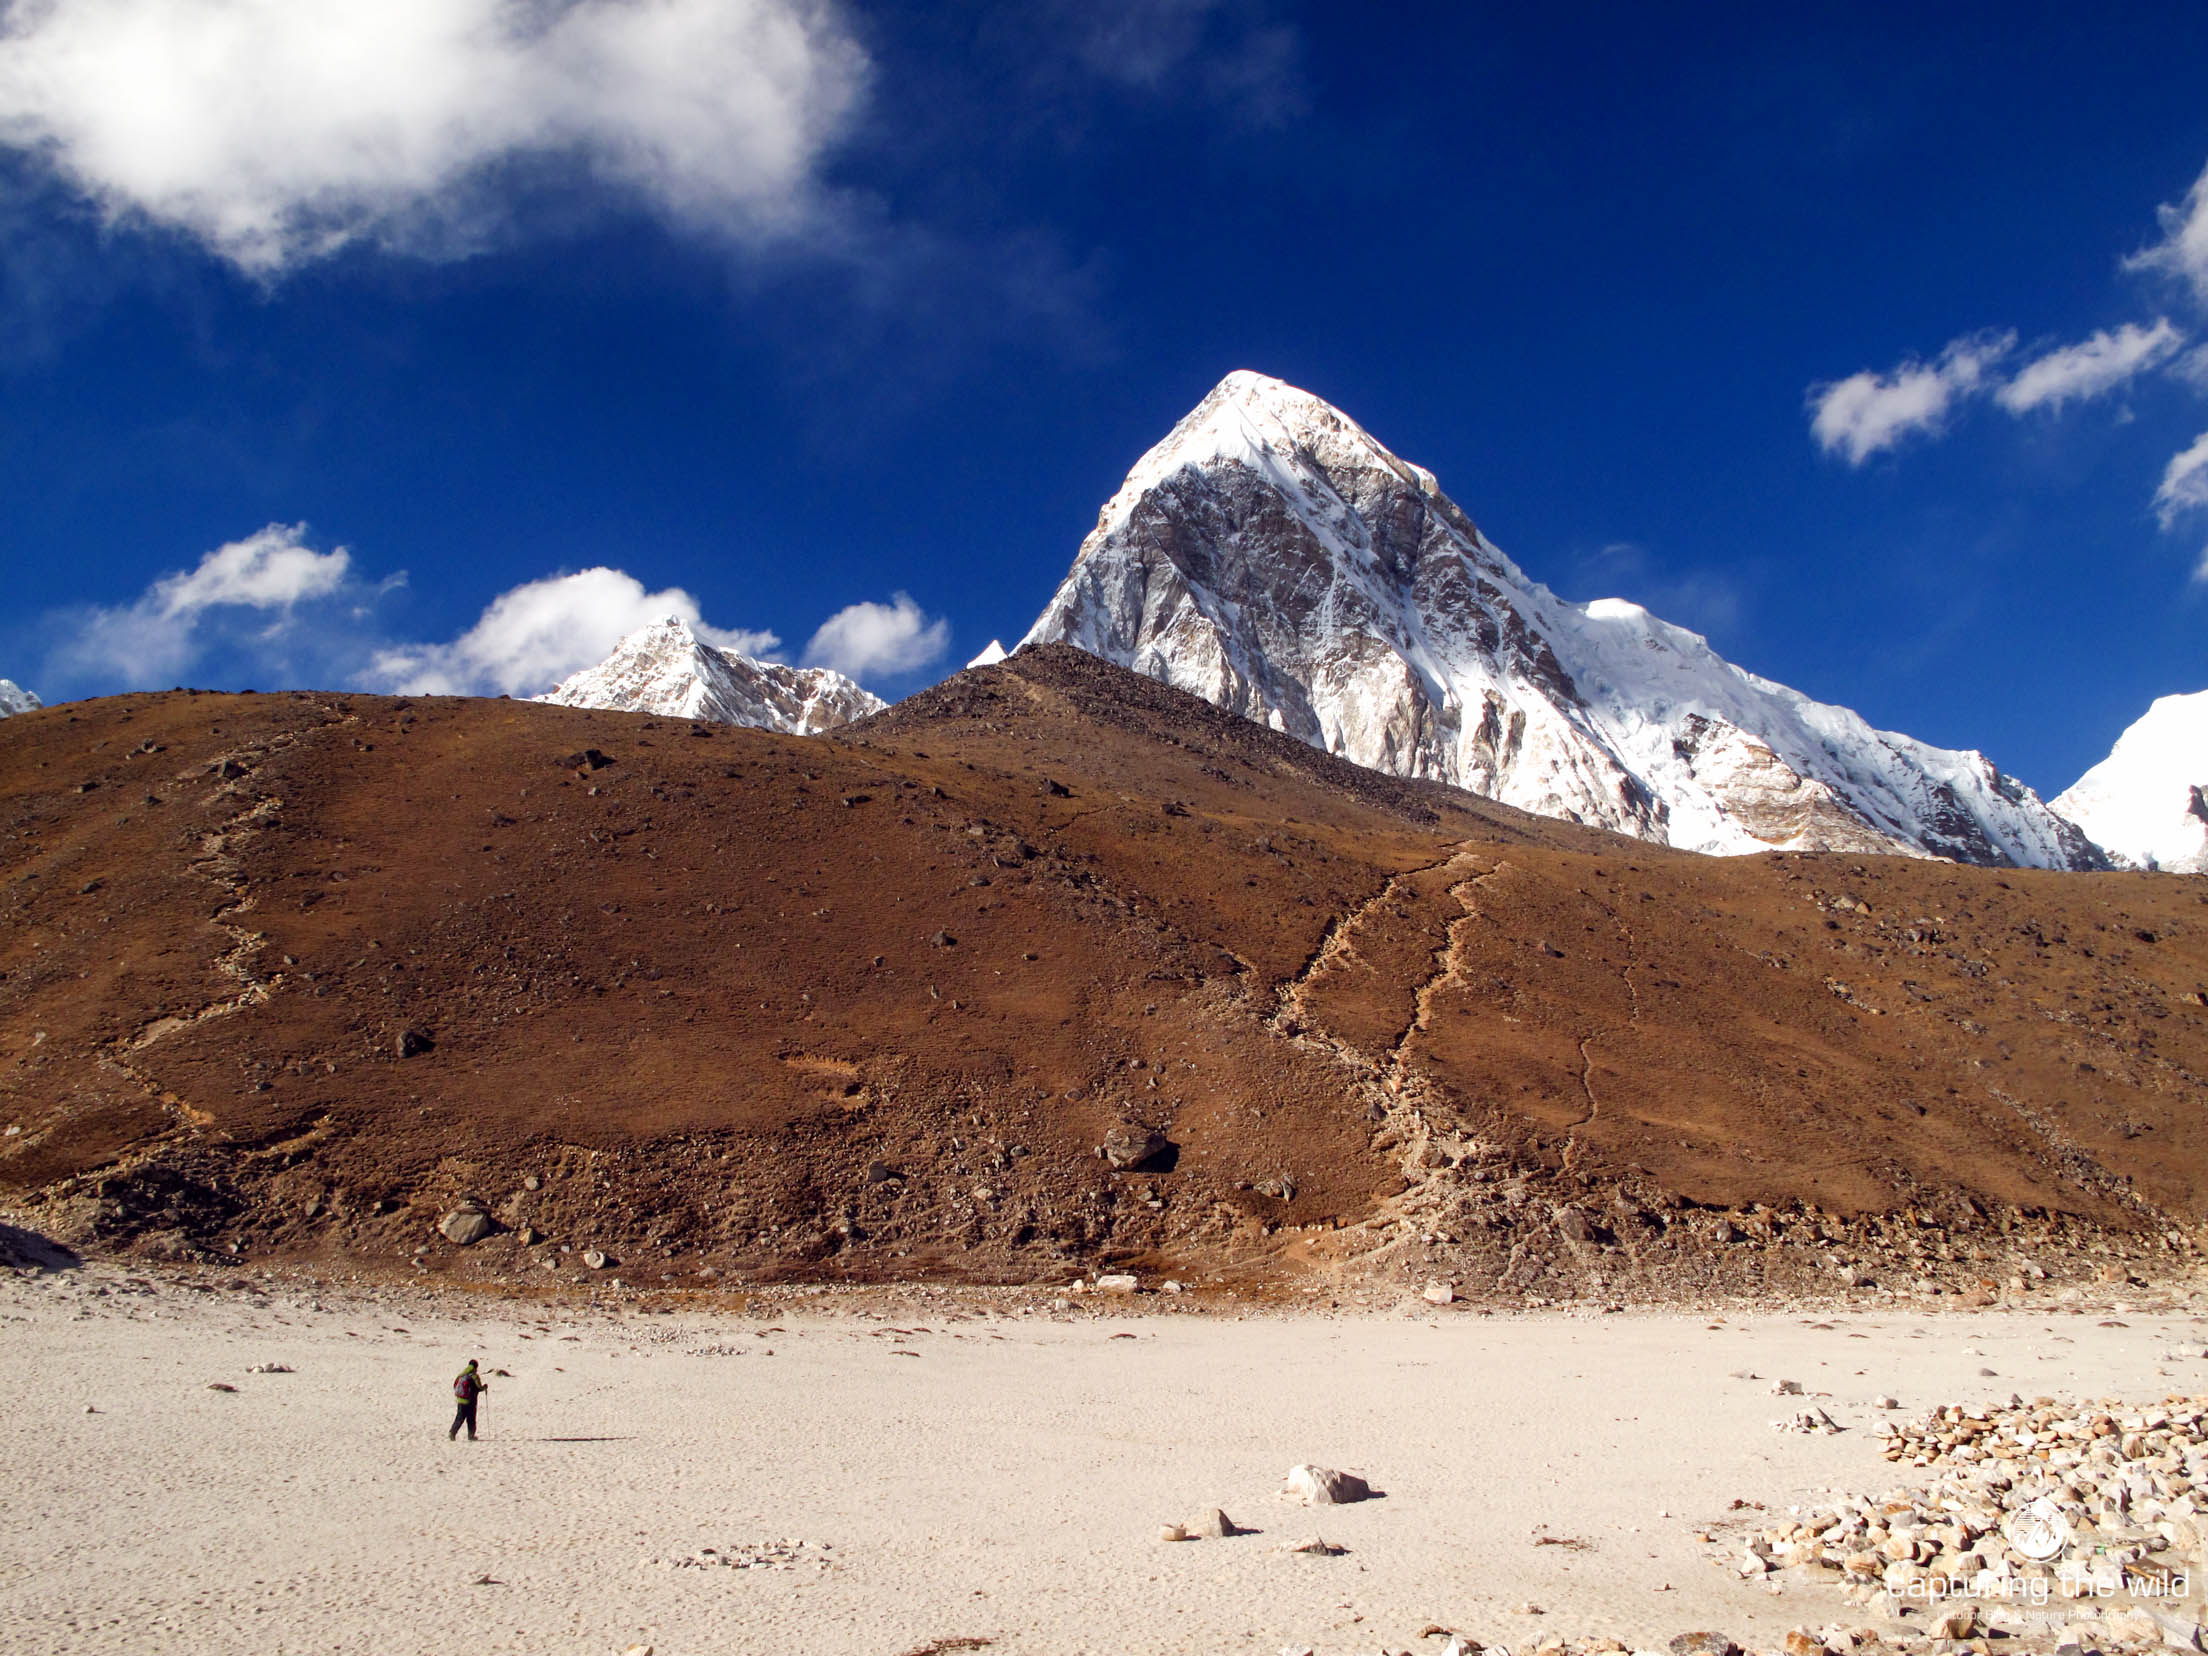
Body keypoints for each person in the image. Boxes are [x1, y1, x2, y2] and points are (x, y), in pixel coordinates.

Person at [449, 1359, 488, 1441]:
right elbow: (479, 1387)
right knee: (471, 1419)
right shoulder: (474, 1376)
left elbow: (455, 1385)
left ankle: (452, 1433)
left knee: (459, 1417)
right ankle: (471, 1436)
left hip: (460, 1399)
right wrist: (484, 1387)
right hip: (470, 1401)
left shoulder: (461, 1374)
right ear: (476, 1367)